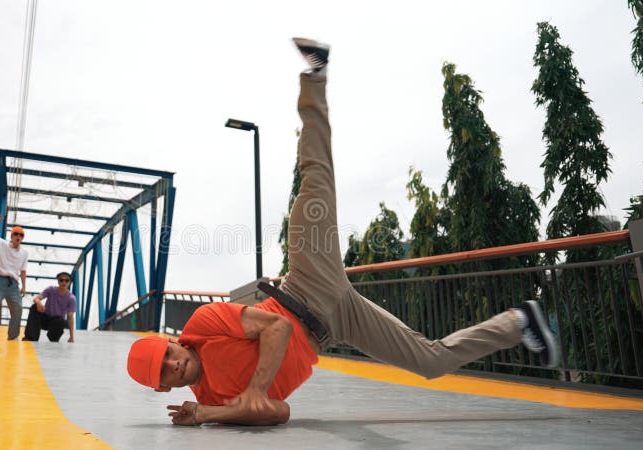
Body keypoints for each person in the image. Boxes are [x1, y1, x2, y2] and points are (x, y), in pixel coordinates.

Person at [126, 38, 559, 427]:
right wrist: (208, 413)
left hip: (309, 284)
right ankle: (519, 321)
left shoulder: (203, 325)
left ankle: (315, 75)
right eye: (163, 371)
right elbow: (280, 412)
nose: (173, 363)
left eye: (167, 353)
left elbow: (277, 328)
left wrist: (252, 394)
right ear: (163, 389)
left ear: (172, 342)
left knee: (315, 181)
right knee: (429, 360)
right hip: (339, 322)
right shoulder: (209, 399)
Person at [22, 272, 76, 343]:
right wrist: (39, 303)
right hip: (44, 318)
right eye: (61, 280)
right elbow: (36, 299)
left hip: (56, 322)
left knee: (61, 321)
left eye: (66, 280)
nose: (64, 282)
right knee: (34, 307)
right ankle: (30, 338)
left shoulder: (71, 298)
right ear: (58, 281)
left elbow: (70, 317)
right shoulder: (51, 289)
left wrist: (71, 337)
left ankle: (53, 338)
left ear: (70, 282)